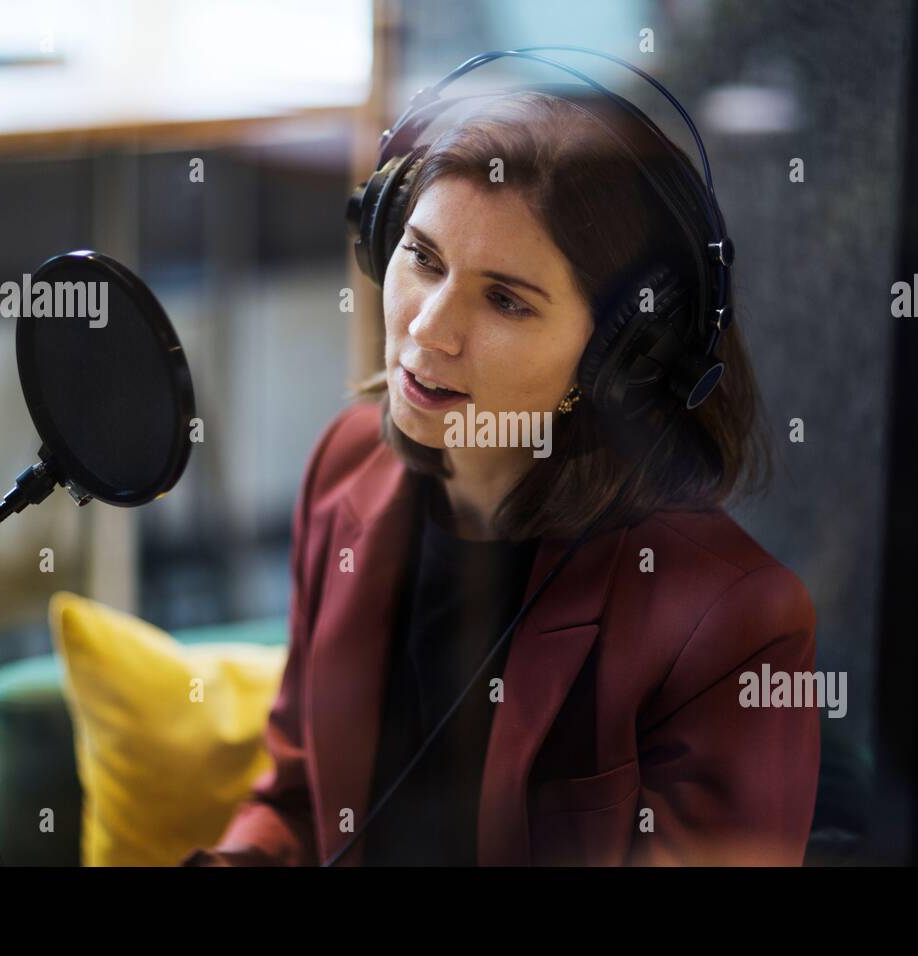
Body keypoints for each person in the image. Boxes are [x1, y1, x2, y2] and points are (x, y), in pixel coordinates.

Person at [182, 88, 819, 867]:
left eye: (507, 301)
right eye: (422, 257)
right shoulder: (346, 467)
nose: (427, 328)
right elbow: (295, 794)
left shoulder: (733, 622)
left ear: (622, 360)